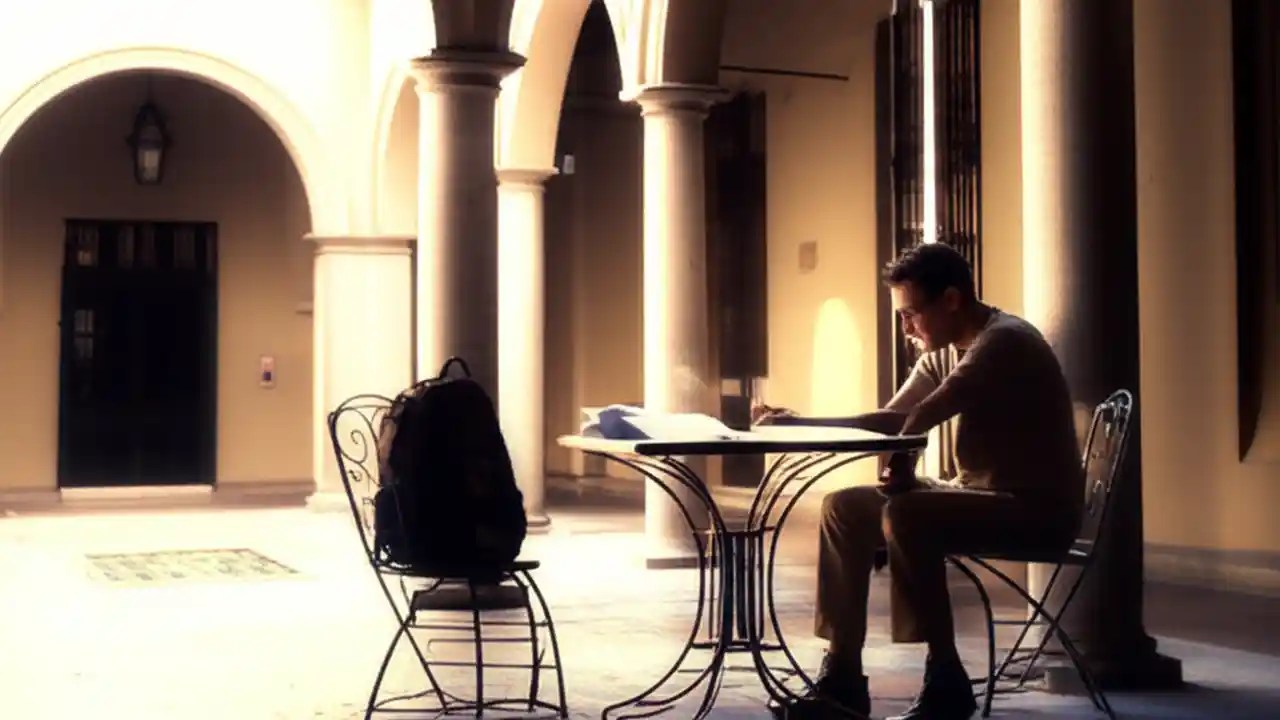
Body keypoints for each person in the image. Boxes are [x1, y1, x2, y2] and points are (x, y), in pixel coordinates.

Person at [756, 243, 1084, 720]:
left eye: (911, 314)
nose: (906, 327)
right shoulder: (945, 351)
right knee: (843, 507)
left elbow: (930, 412)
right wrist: (799, 422)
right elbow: (895, 417)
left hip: (1036, 508)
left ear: (951, 300)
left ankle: (945, 680)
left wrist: (906, 461)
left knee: (906, 513)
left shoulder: (1004, 340)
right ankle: (843, 675)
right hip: (978, 496)